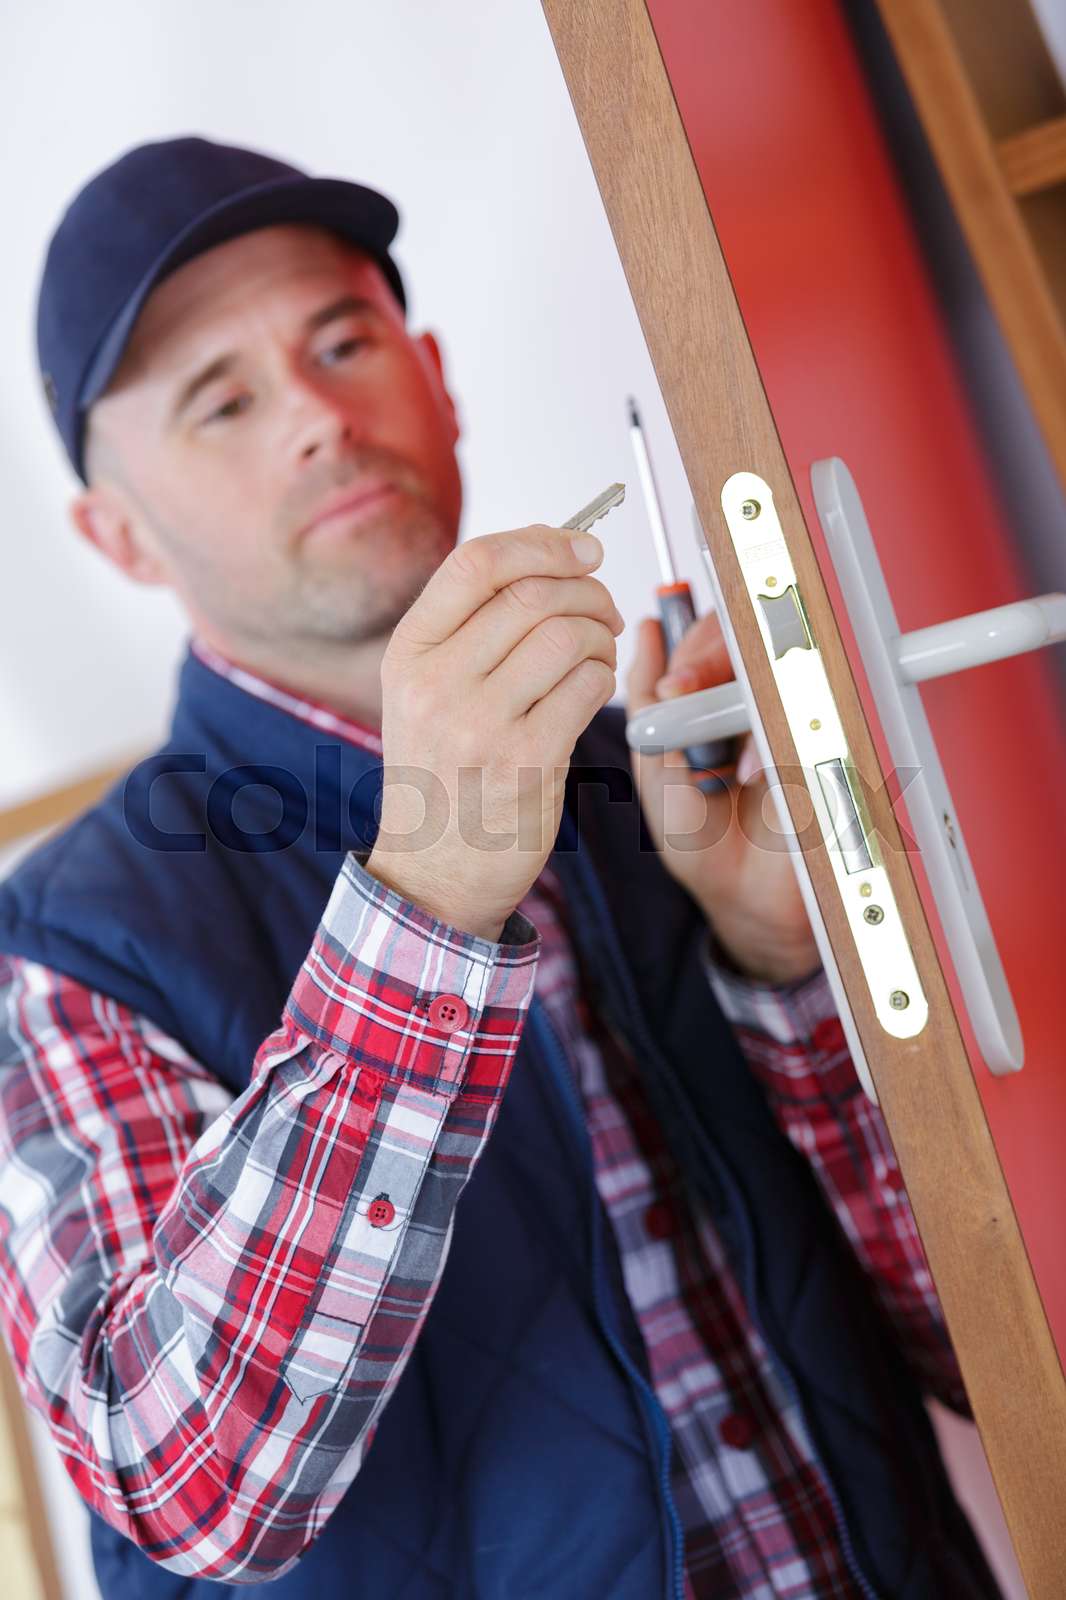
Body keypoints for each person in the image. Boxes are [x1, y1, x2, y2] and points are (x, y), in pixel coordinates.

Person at [0, 136, 1001, 1600]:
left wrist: (781, 969)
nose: (319, 419)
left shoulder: (675, 777)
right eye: (221, 398)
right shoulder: (59, 944)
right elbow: (191, 1487)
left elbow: (991, 1338)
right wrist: (427, 898)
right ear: (119, 537)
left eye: (344, 339)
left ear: (440, 378)